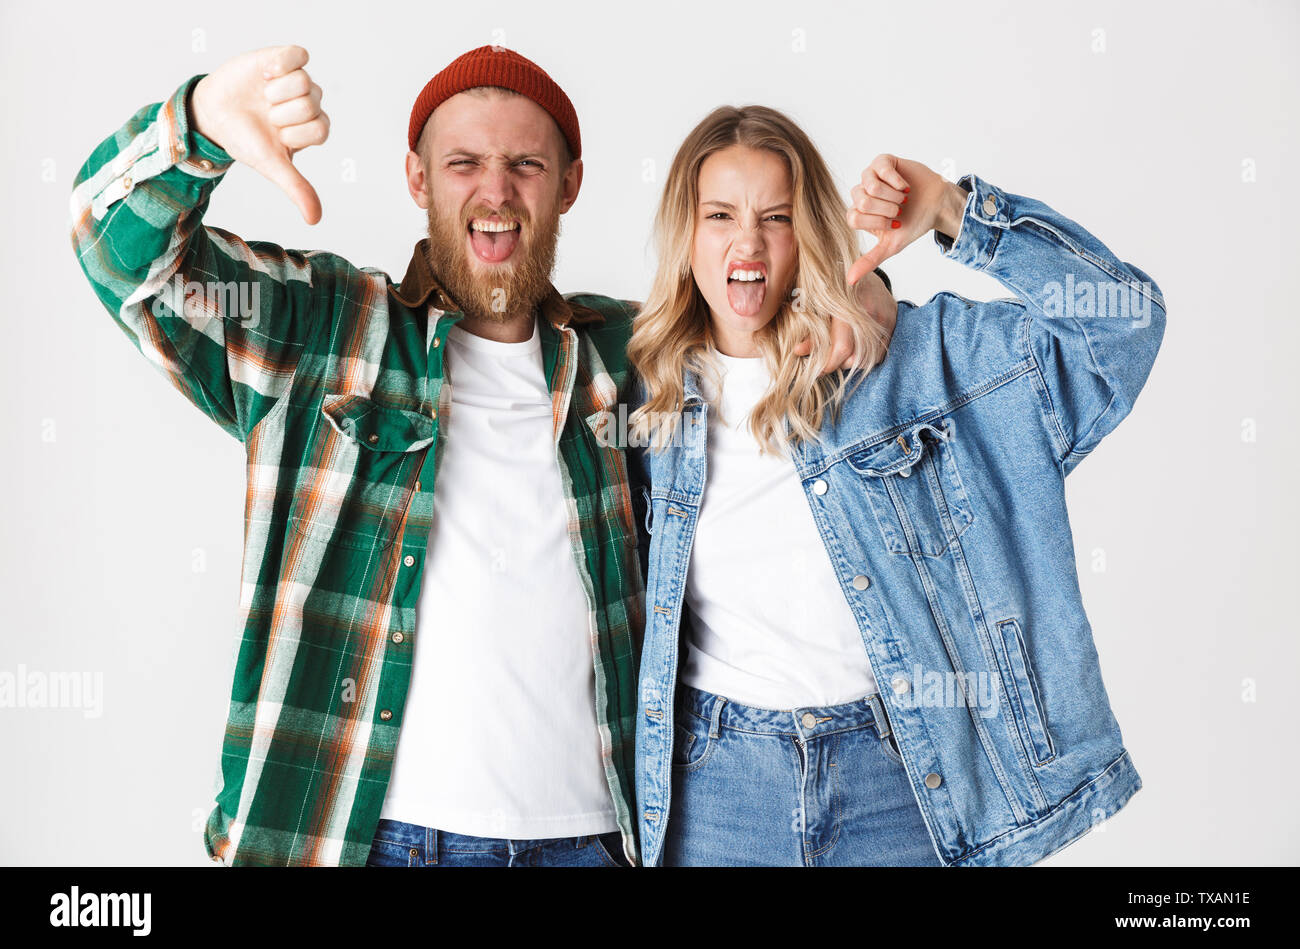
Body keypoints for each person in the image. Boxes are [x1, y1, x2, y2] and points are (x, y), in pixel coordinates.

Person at [69, 44, 894, 867]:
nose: (495, 191)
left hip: (595, 844)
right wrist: (202, 124)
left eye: (525, 164)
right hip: (366, 841)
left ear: (568, 184)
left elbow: (761, 296)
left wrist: (866, 294)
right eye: (464, 162)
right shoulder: (322, 334)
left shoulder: (635, 355)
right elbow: (119, 254)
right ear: (419, 180)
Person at [626, 104, 1165, 866]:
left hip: (898, 778)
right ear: (686, 235)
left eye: (775, 217)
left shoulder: (917, 365)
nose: (746, 242)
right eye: (719, 215)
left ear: (808, 230)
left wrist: (953, 211)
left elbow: (1125, 326)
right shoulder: (634, 387)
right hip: (718, 787)